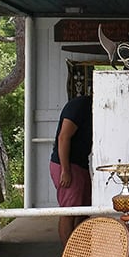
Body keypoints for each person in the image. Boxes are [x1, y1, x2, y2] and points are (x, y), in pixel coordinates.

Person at [49, 94, 93, 246]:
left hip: (81, 164)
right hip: (68, 164)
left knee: (84, 209)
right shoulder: (80, 106)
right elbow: (63, 137)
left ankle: (79, 248)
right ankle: (69, 254)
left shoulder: (93, 108)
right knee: (69, 211)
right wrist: (65, 170)